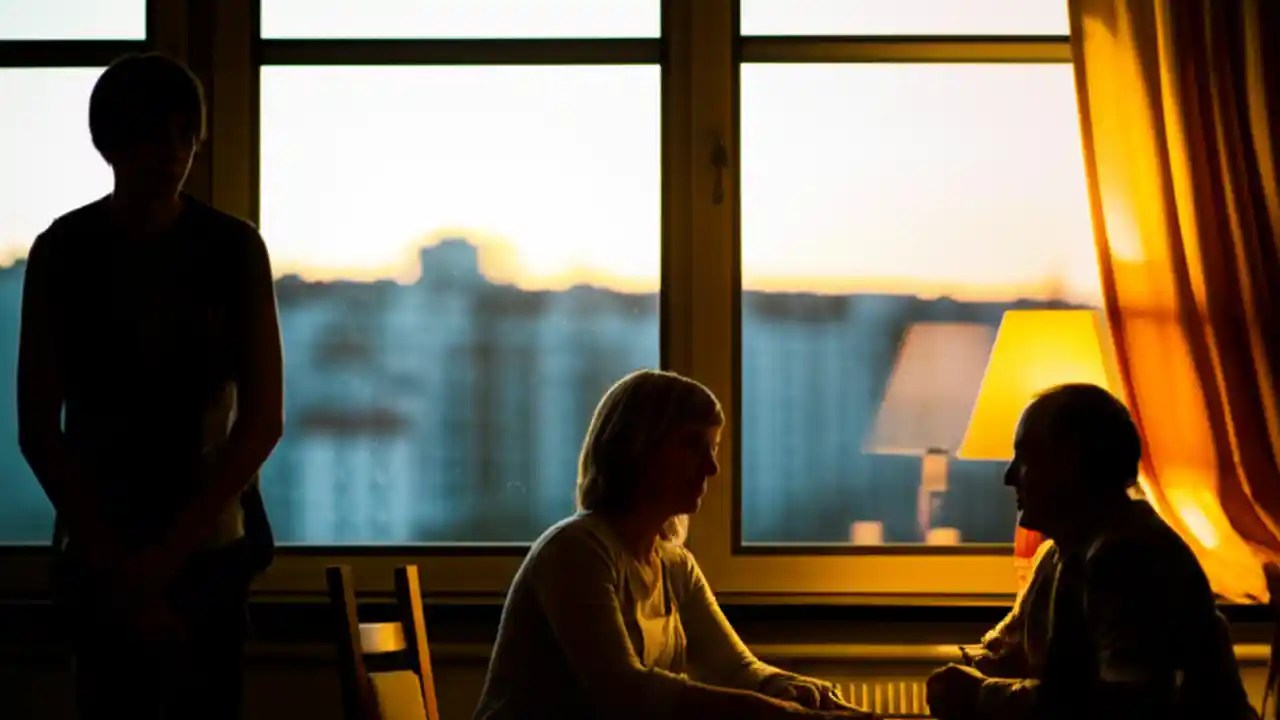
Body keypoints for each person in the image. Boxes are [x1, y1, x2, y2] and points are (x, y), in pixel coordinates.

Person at [17, 52, 284, 720]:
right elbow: (38, 429)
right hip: (148, 547)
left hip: (176, 554)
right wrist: (140, 569)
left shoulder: (229, 250)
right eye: (148, 134)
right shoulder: (66, 251)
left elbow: (263, 421)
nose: (169, 151)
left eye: (180, 133)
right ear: (109, 143)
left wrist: (141, 568)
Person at [474, 369, 877, 720]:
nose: (711, 467)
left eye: (713, 448)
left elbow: (737, 669)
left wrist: (797, 690)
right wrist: (773, 711)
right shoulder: (576, 551)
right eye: (691, 445)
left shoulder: (674, 565)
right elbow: (624, 692)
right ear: (636, 447)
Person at [925, 383, 1256, 720]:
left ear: (1070, 464)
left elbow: (1122, 708)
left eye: (1026, 457)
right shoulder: (1058, 555)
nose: (1010, 476)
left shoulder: (1133, 559)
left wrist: (983, 696)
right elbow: (1019, 655)